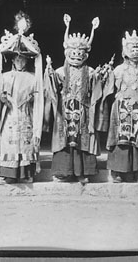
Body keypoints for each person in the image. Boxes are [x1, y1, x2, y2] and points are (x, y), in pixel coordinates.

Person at [45, 14, 112, 184]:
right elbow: (52, 86)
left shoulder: (89, 71)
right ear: (67, 53)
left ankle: (83, 172)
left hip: (84, 112)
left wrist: (101, 76)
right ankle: (63, 172)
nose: (76, 55)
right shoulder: (61, 71)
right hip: (65, 111)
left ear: (85, 55)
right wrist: (50, 72)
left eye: (80, 53)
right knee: (65, 141)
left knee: (83, 141)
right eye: (73, 52)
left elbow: (97, 87)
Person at [0, 12, 44, 184]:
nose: (20, 61)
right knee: (9, 143)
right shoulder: (5, 76)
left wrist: (33, 100)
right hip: (10, 115)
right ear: (13, 60)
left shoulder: (33, 78)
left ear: (27, 60)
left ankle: (26, 173)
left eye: (23, 59)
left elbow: (40, 95)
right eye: (17, 58)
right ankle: (7, 174)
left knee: (26, 142)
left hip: (26, 115)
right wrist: (1, 98)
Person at [105, 30, 138, 184]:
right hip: (122, 108)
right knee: (121, 140)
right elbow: (108, 90)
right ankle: (118, 172)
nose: (135, 51)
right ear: (125, 49)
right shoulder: (118, 70)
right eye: (132, 48)